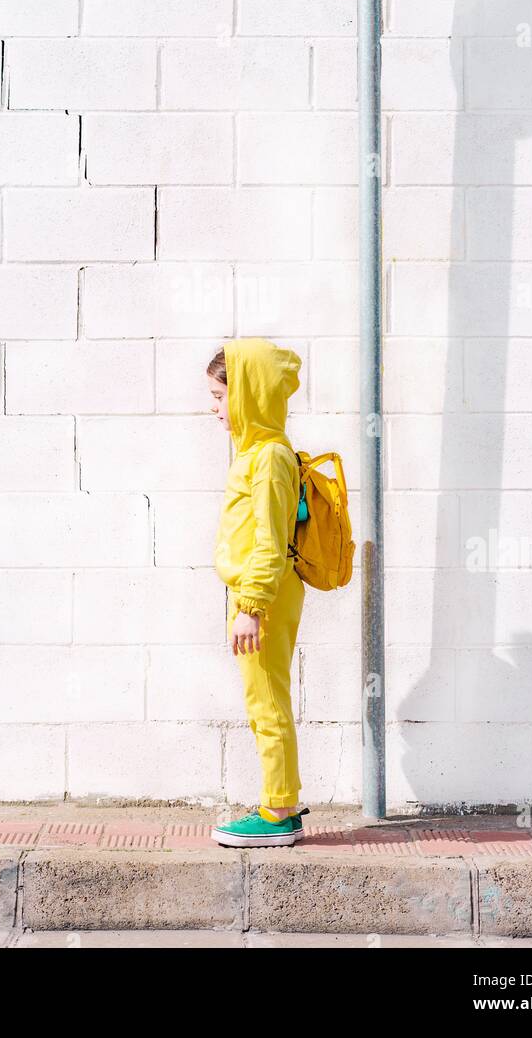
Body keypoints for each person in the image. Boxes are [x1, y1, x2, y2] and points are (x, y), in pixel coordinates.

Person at [206, 336, 310, 847]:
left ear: (246, 392)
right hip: (256, 593)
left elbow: (271, 542)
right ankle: (279, 801)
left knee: (266, 698)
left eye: (220, 396)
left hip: (261, 597)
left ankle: (278, 813)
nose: (214, 409)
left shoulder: (268, 457)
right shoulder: (259, 453)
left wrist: (250, 607)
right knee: (263, 696)